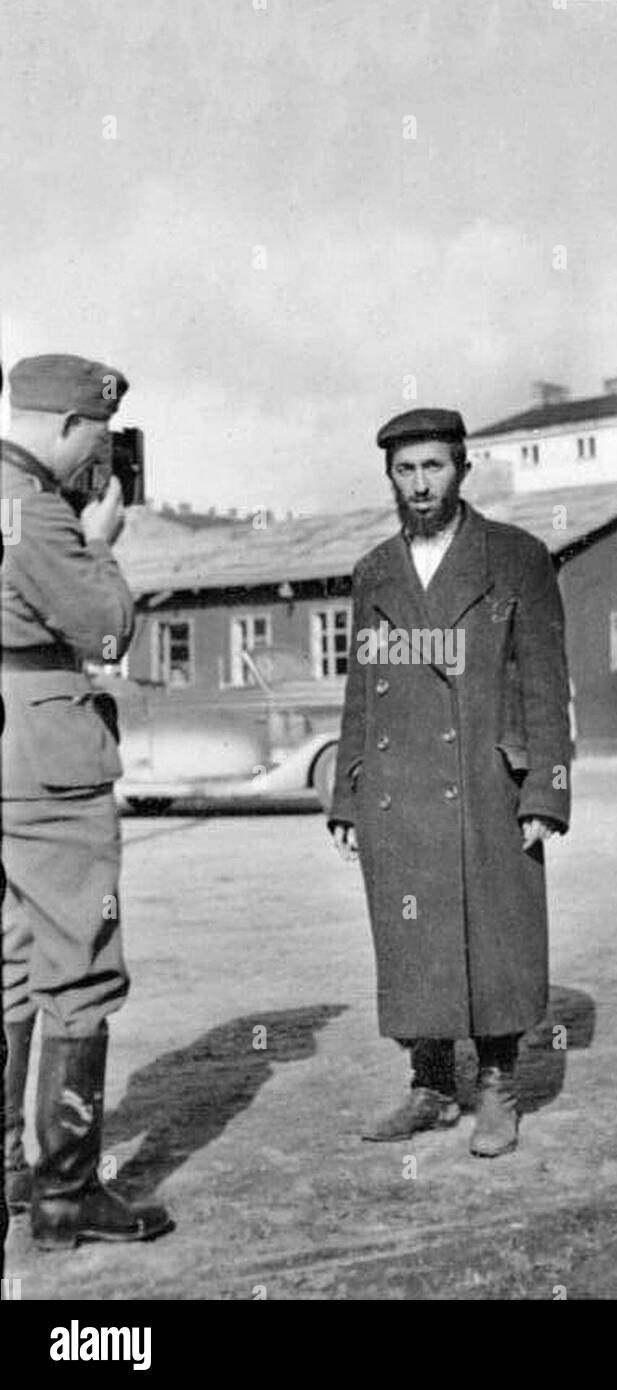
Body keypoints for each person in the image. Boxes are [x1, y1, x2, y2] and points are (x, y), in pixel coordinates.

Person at [330, 407, 572, 1157]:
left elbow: (544, 682)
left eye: (434, 466)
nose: (420, 484)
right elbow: (361, 685)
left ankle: (499, 1087)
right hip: (398, 791)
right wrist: (347, 792)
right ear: (390, 479)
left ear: (463, 467)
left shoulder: (516, 556)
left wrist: (547, 793)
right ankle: (431, 1086)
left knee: (495, 935)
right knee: (410, 939)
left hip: (484, 781)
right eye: (406, 471)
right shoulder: (374, 570)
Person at [1, 353, 172, 1248]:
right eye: (98, 439)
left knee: (13, 960)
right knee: (79, 963)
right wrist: (99, 542)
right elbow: (105, 627)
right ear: (71, 426)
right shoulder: (33, 510)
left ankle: (14, 1174)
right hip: (44, 751)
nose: (98, 460)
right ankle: (65, 1193)